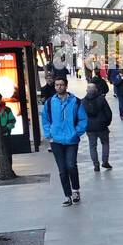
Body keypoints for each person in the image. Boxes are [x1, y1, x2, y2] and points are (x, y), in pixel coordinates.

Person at [41, 76, 88, 206]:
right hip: (56, 140)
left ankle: (75, 190)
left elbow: (83, 119)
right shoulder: (50, 102)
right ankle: (67, 195)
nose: (59, 87)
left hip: (71, 140)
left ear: (66, 86)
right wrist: (48, 134)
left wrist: (76, 132)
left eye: (61, 85)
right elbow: (45, 119)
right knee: (62, 169)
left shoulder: (76, 102)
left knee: (71, 165)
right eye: (57, 85)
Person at [82, 82, 113, 172]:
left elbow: (81, 115)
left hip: (90, 127)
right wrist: (107, 122)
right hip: (102, 126)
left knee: (92, 146)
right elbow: (108, 112)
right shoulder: (101, 99)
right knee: (105, 143)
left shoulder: (83, 101)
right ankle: (105, 161)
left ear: (87, 90)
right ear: (96, 90)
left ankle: (96, 164)